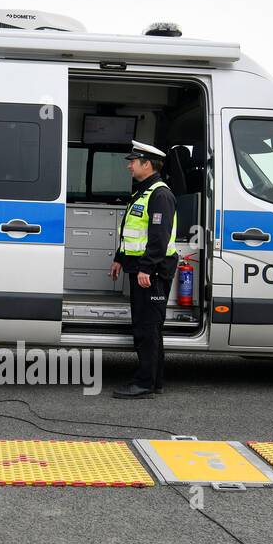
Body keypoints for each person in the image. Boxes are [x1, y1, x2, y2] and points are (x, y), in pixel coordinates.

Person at [109, 140, 178, 398]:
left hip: (153, 273)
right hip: (141, 267)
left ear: (147, 164)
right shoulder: (143, 192)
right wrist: (119, 257)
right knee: (149, 327)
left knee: (146, 328)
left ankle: (144, 383)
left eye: (133, 161)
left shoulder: (160, 194)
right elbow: (132, 232)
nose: (129, 166)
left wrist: (146, 269)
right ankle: (154, 381)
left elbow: (159, 239)